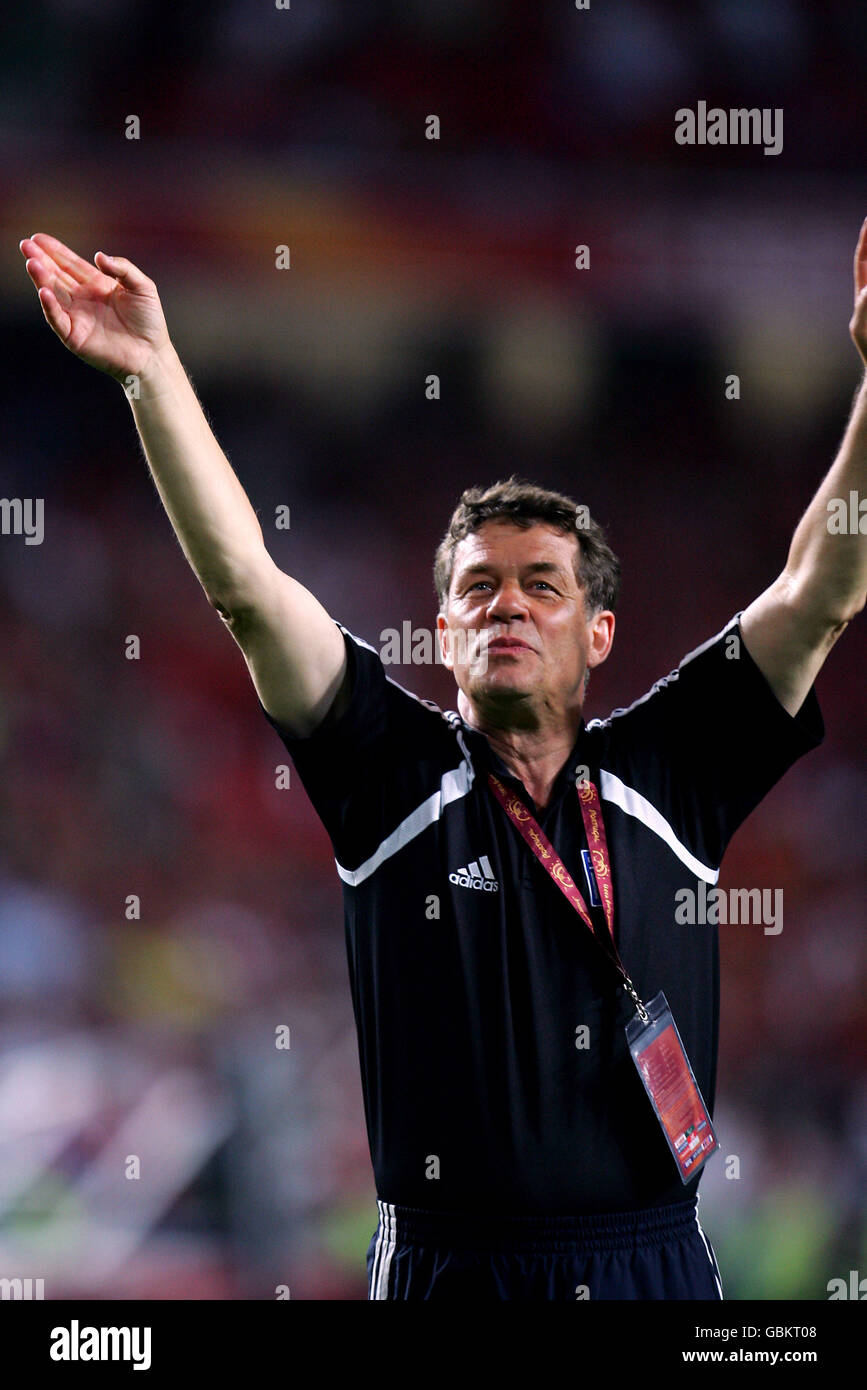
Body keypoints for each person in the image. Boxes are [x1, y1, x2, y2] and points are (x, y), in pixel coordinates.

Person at [19, 228, 867, 1301]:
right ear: (445, 629)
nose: (506, 602)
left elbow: (821, 590)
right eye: (478, 588)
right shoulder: (390, 772)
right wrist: (154, 376)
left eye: (542, 585)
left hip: (652, 1263)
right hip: (450, 1269)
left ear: (599, 632)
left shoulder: (675, 768)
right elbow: (246, 586)